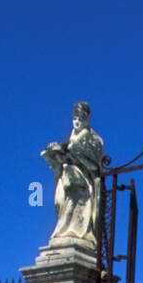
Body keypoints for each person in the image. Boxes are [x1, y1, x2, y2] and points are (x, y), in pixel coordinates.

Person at [41, 102, 105, 246]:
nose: (76, 122)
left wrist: (71, 155)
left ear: (86, 119)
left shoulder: (93, 139)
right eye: (75, 119)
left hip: (82, 182)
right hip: (66, 178)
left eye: (80, 119)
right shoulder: (71, 138)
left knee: (76, 204)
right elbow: (66, 150)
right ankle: (64, 230)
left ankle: (76, 233)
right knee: (60, 202)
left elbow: (94, 163)